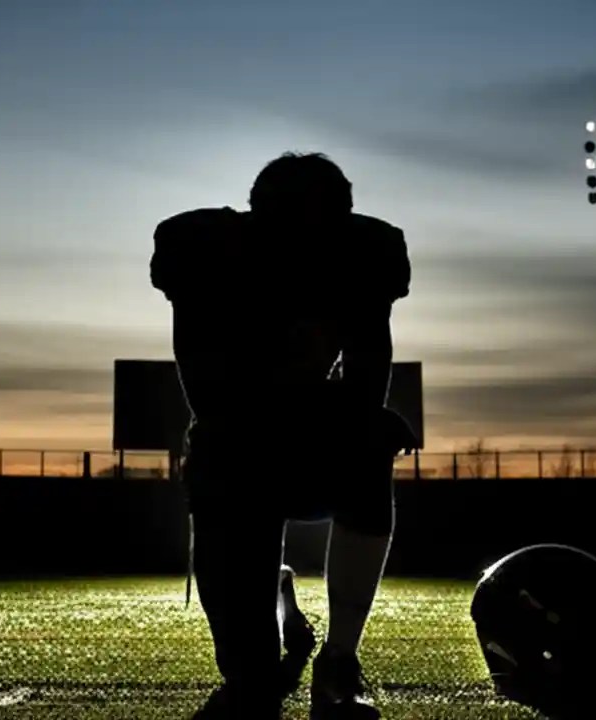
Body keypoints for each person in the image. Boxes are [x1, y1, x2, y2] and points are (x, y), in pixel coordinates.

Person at [150, 152, 415, 719]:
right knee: (252, 682)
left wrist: (363, 415)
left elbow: (370, 366)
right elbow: (214, 394)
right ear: (259, 220)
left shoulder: (361, 255)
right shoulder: (205, 251)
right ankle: (277, 598)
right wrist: (333, 408)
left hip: (306, 443)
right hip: (235, 449)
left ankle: (339, 658)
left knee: (371, 440)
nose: (310, 249)